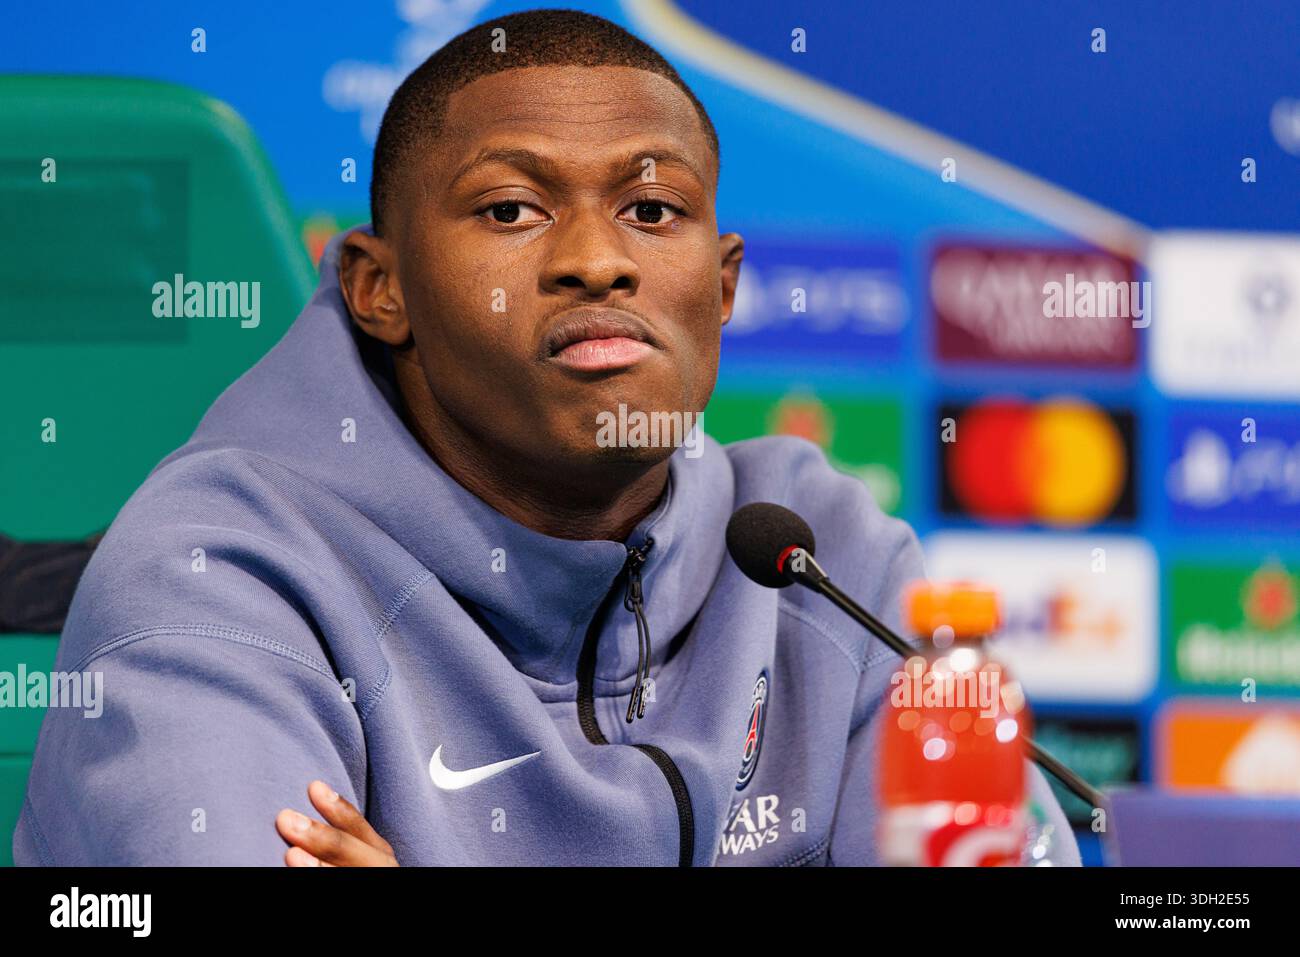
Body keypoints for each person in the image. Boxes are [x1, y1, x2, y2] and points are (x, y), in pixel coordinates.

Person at [14, 8, 1078, 867]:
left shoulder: (820, 560)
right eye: (513, 209)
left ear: (722, 285)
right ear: (380, 291)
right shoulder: (216, 577)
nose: (595, 261)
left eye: (652, 211)